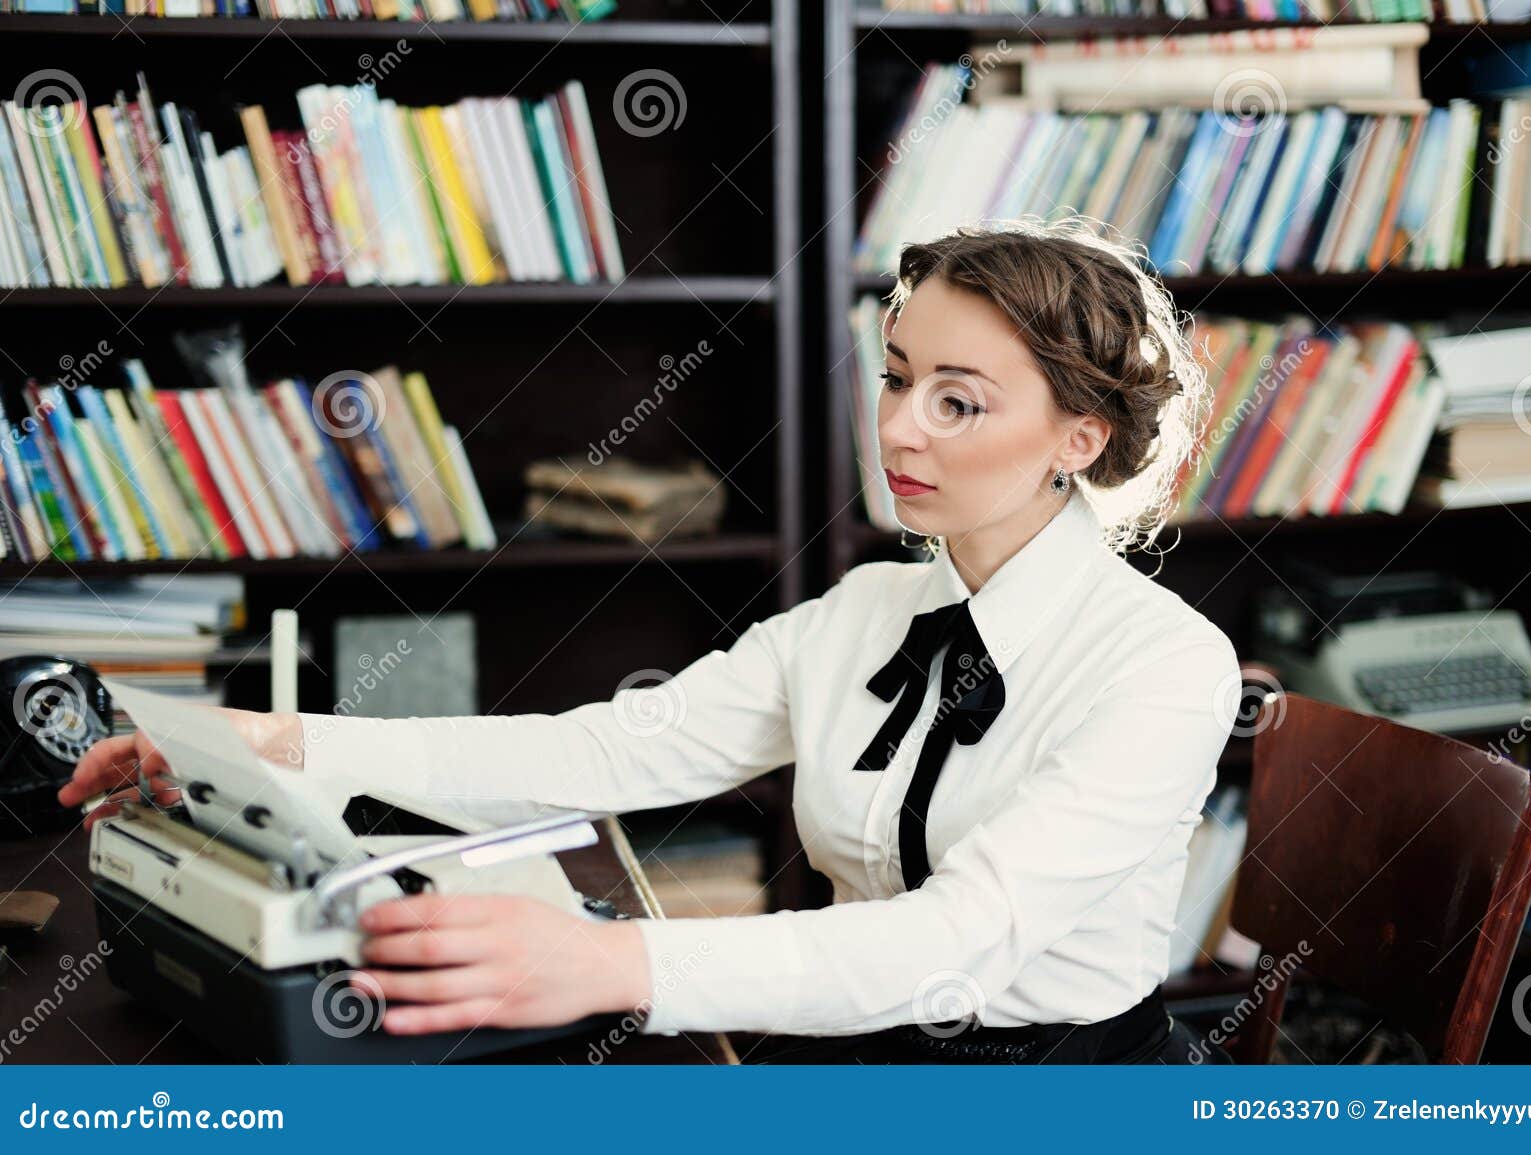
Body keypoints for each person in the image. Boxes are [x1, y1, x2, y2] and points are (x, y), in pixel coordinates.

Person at [62, 217, 1242, 1064]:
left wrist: (617, 965)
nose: (897, 427)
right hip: (845, 1054)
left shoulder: (1162, 667)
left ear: (1077, 440)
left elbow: (963, 939)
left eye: (957, 399)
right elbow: (604, 752)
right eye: (893, 379)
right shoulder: (868, 611)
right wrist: (268, 744)